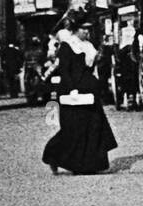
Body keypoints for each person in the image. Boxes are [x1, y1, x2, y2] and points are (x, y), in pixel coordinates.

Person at [42, 12, 117, 175]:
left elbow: (91, 67)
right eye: (84, 29)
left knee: (94, 126)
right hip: (72, 92)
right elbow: (65, 71)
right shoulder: (68, 46)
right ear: (76, 30)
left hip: (89, 91)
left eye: (89, 30)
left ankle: (89, 165)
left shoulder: (88, 45)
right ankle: (54, 155)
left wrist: (100, 58)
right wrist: (72, 89)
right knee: (73, 129)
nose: (87, 33)